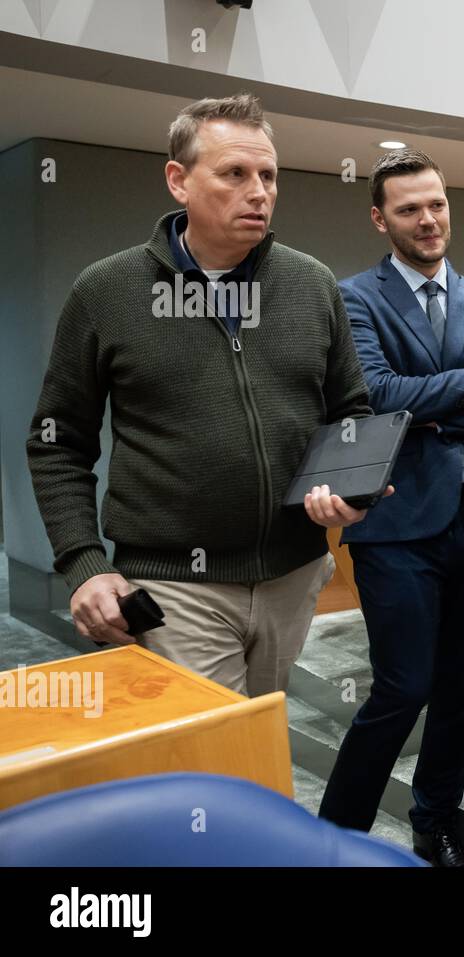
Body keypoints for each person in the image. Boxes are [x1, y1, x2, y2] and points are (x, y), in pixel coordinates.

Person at [26, 93, 379, 697]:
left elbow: (351, 412)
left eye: (268, 175)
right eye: (234, 174)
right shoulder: (107, 291)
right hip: (174, 586)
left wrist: (350, 485)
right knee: (208, 761)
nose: (259, 190)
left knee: (261, 737)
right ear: (178, 181)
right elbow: (58, 443)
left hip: (292, 574)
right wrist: (84, 563)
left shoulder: (311, 284)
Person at [317, 149, 464, 867]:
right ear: (381, 218)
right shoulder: (355, 297)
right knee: (403, 684)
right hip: (397, 525)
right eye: (409, 208)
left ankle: (434, 819)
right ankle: (335, 835)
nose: (428, 218)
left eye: (436, 203)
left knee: (461, 687)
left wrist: (435, 410)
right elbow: (377, 394)